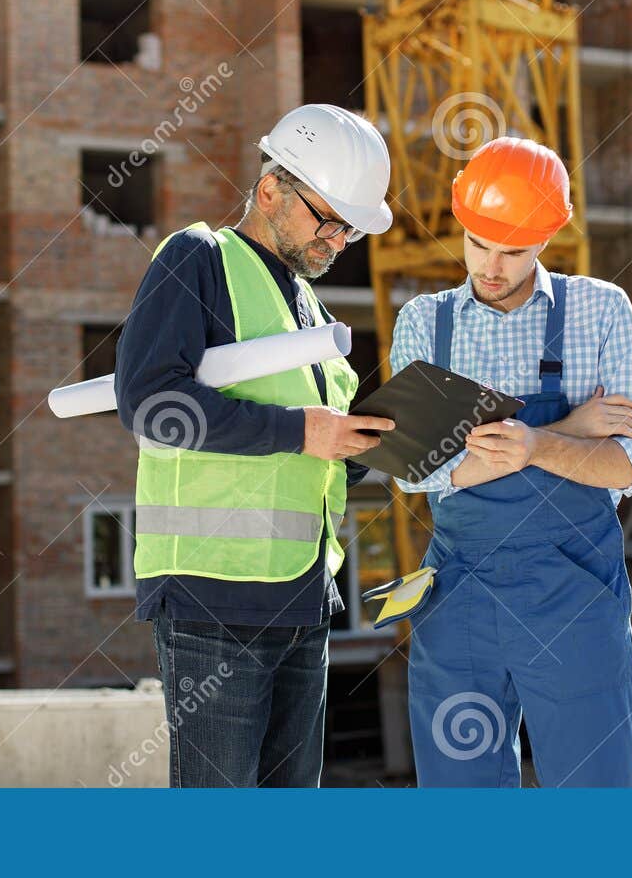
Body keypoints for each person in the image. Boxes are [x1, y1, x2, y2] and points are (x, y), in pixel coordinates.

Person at [113, 103, 395, 787]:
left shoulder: (313, 310)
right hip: (216, 601)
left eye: (349, 229)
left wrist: (367, 449)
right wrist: (304, 430)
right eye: (326, 219)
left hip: (303, 599)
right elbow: (150, 400)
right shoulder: (200, 260)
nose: (336, 239)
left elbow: (310, 462)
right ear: (271, 190)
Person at [388, 135, 632, 787]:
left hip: (572, 591)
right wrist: (569, 431)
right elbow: (412, 468)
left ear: (547, 237)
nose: (491, 265)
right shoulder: (425, 323)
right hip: (457, 591)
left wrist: (531, 444)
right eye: (478, 243)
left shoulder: (600, 310)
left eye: (512, 251)